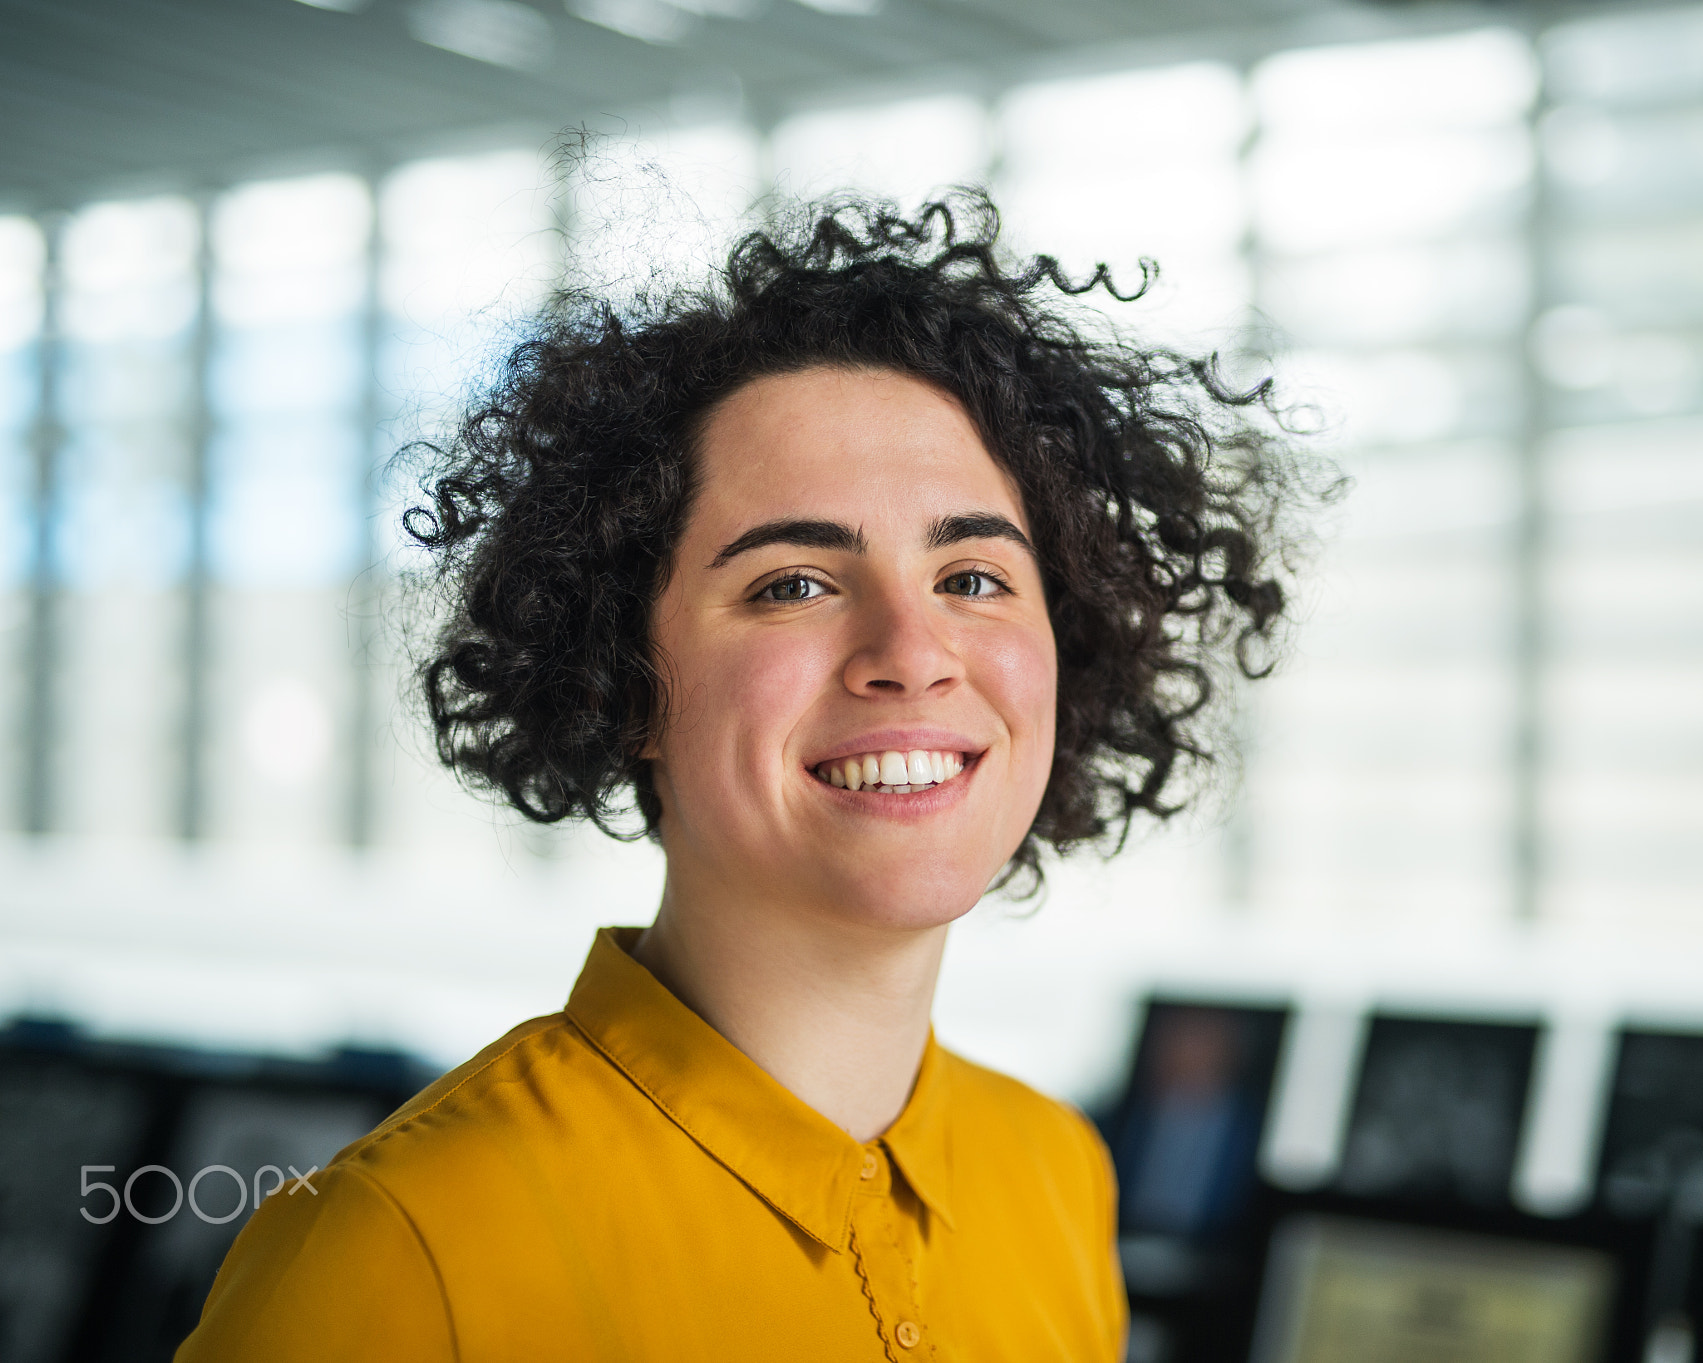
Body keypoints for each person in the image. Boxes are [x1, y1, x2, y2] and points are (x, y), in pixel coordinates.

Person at [175, 192, 1307, 1361]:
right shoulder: (399, 1249)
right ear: (621, 682)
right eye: (792, 584)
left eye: (972, 577)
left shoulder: (1058, 1174)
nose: (912, 653)